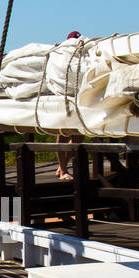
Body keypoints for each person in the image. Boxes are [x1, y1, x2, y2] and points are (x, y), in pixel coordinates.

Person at [56, 31, 82, 180]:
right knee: (63, 136)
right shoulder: (62, 57)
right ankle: (63, 170)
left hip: (78, 100)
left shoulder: (81, 57)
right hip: (64, 100)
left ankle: (62, 166)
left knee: (78, 137)